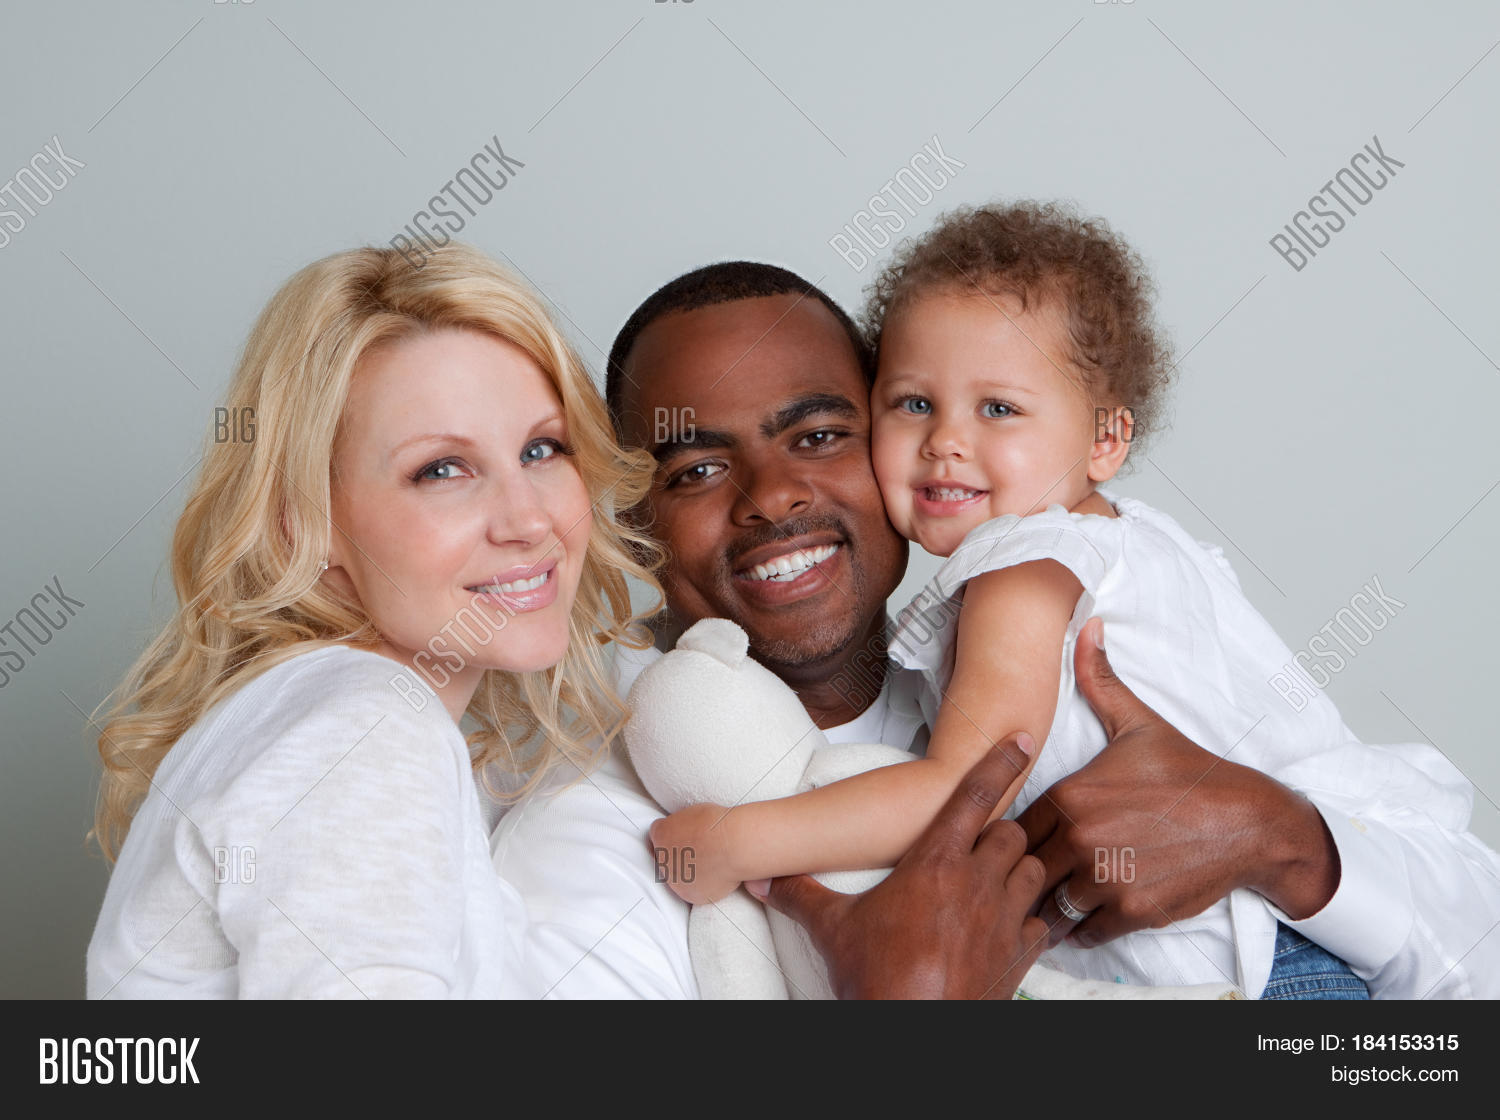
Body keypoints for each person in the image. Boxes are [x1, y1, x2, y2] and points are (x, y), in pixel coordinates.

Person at [493, 256, 1500, 999]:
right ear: (630, 525)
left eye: (822, 434)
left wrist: (1277, 840)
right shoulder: (602, 837)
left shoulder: (1026, 651)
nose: (773, 494)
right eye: (698, 469)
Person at [649, 203, 1373, 997]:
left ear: (1105, 439)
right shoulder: (1129, 542)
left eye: (998, 409)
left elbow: (962, 791)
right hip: (1287, 950)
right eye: (914, 403)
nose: (946, 441)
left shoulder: (1025, 564)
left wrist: (734, 842)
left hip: (1260, 974)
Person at [85, 243, 665, 998]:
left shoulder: (328, 717)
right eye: (441, 470)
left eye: (541, 448)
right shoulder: (363, 731)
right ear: (306, 525)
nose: (529, 521)